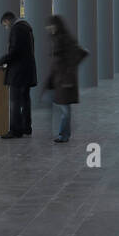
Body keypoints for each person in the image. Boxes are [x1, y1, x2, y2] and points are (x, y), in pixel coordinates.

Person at [43, 14, 87, 143]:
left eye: (51, 25)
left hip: (64, 80)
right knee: (57, 105)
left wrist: (68, 75)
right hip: (58, 79)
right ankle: (62, 132)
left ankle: (64, 134)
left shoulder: (64, 40)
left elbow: (79, 55)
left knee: (64, 109)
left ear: (57, 25)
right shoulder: (57, 39)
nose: (49, 28)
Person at [0, 11, 37, 138]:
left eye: (5, 25)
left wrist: (0, 61)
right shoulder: (26, 28)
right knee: (25, 100)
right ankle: (26, 127)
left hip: (18, 73)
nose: (6, 28)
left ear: (8, 21)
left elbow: (15, 51)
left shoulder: (17, 29)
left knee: (15, 101)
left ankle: (15, 130)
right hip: (27, 71)